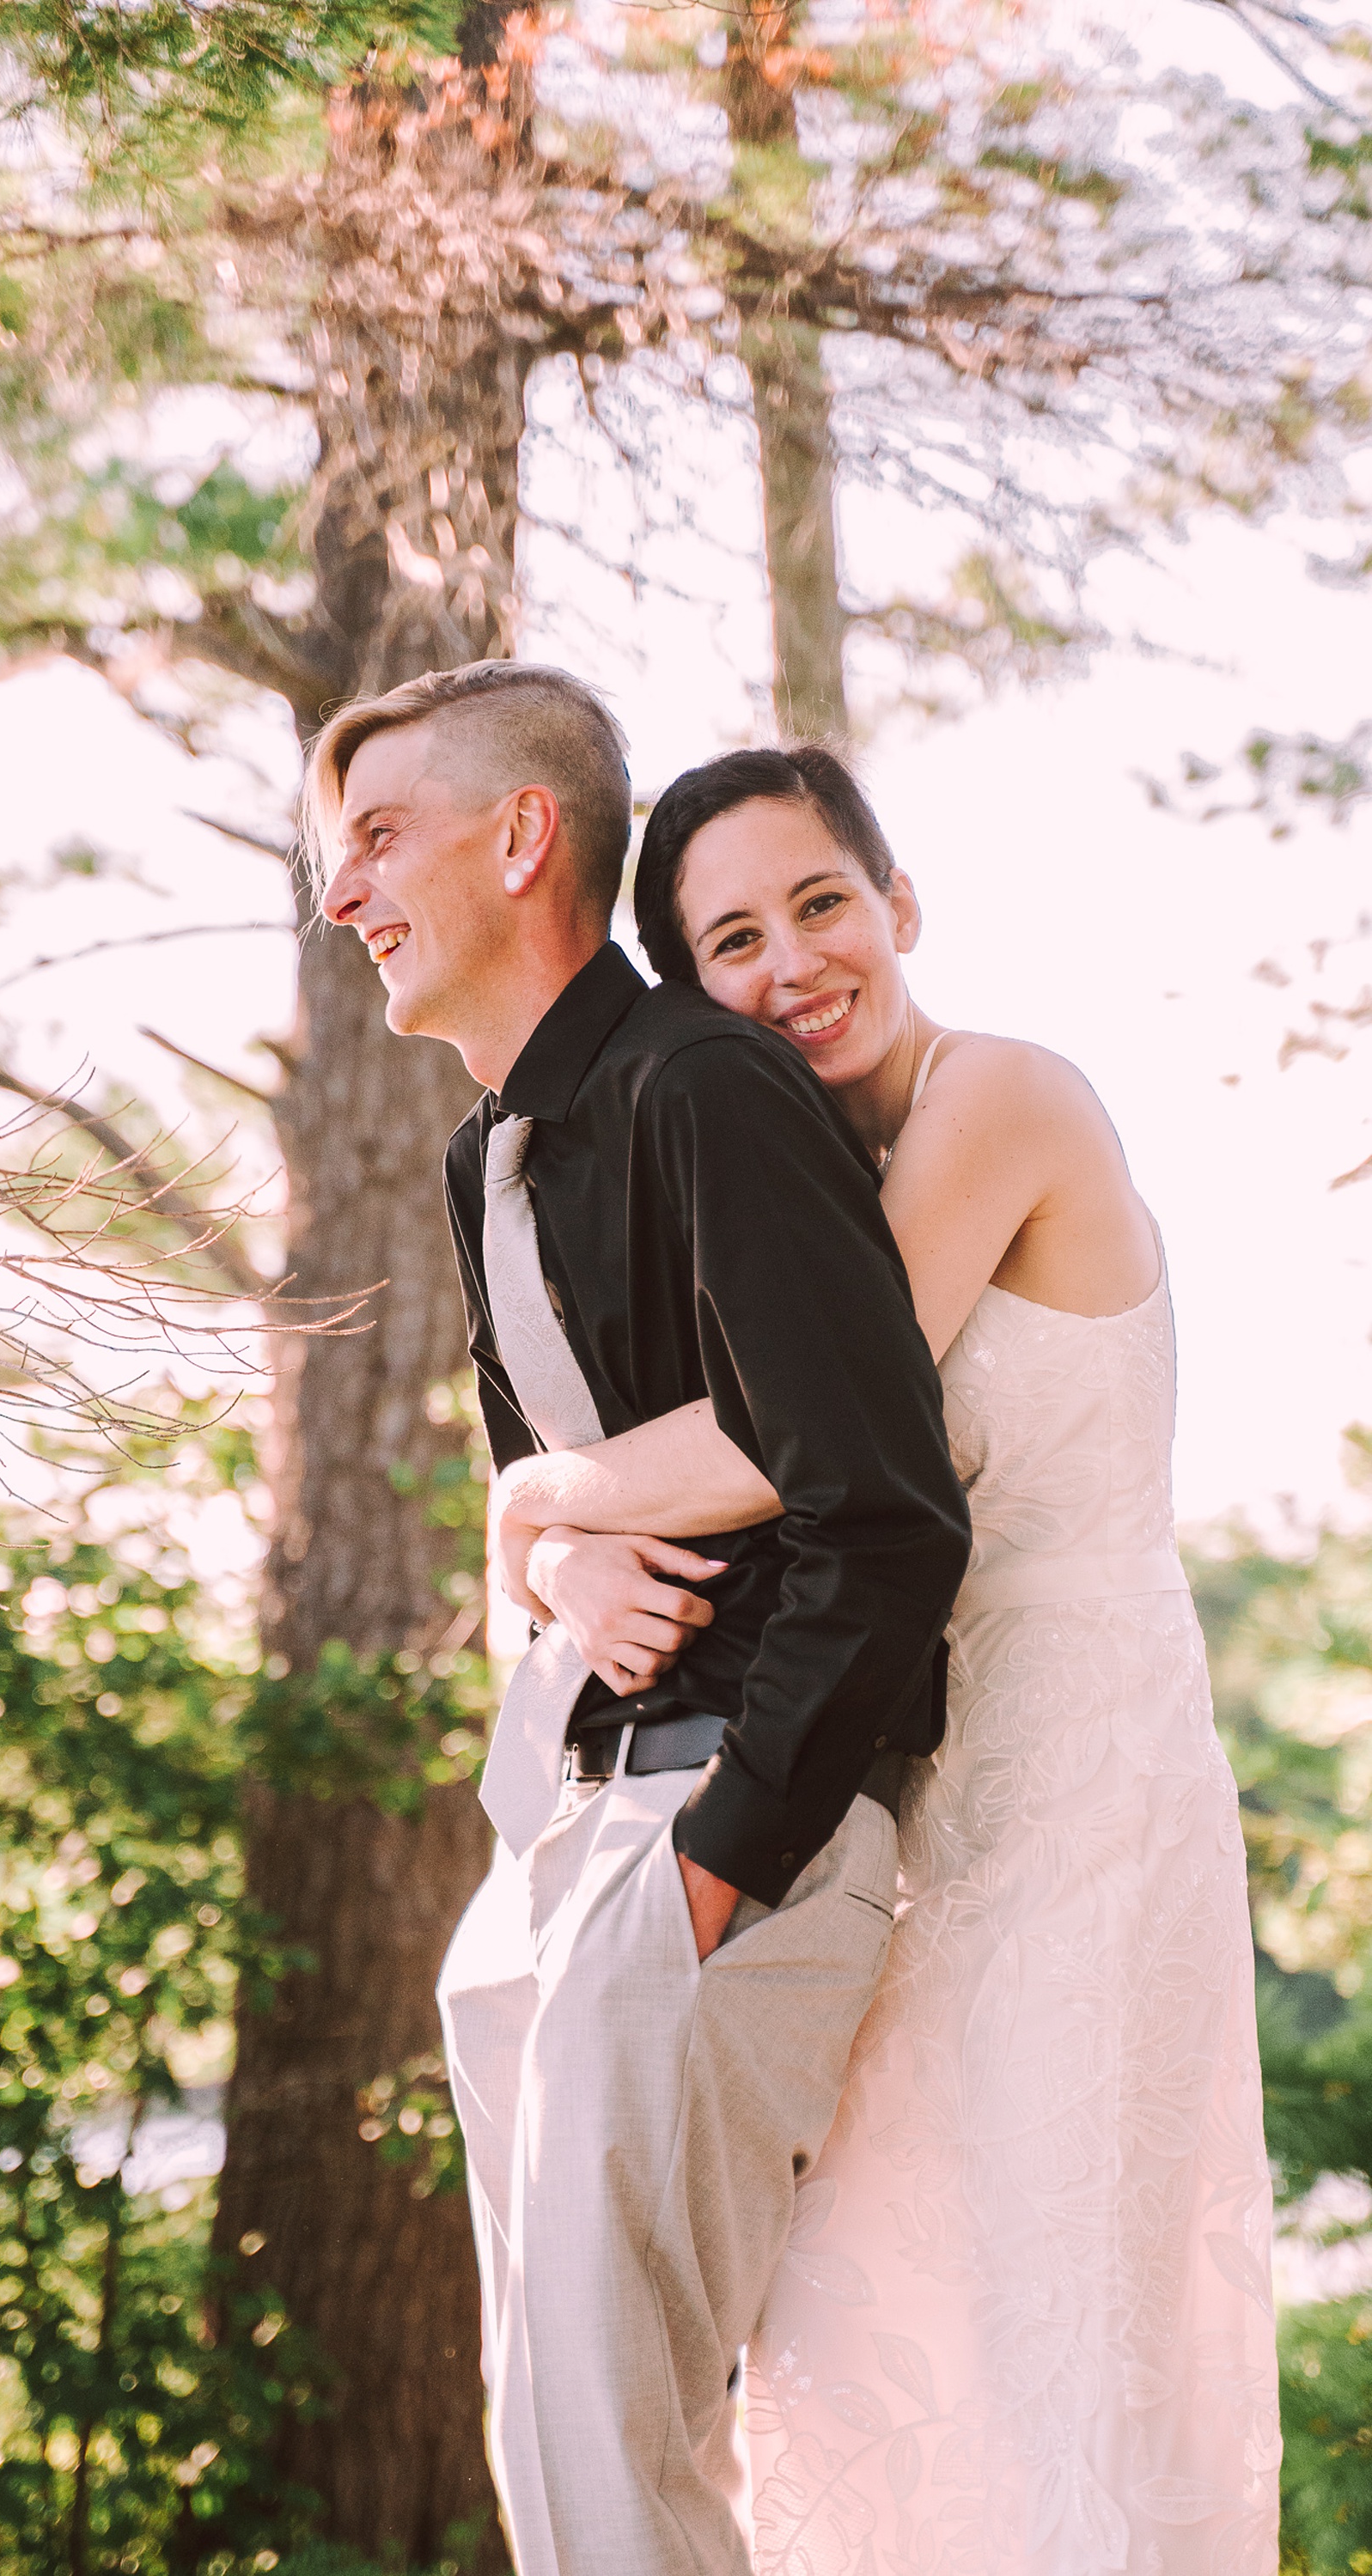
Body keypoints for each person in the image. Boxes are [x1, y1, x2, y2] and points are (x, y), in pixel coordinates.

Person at [491, 745, 1281, 2576]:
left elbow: (788, 1435)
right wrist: (567, 1561)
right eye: (735, 943)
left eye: (821, 905)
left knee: (1061, 2301)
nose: (792, 966)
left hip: (1077, 1779)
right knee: (872, 2312)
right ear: (694, 992)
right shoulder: (796, 1180)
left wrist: (532, 1498)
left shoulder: (1002, 1097)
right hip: (894, 1800)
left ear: (899, 904)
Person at [308, 666, 973, 2576]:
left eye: (377, 839)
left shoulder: (703, 1085)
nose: (340, 893)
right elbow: (548, 1481)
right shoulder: (480, 1155)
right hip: (560, 1824)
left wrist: (722, 1861)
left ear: (521, 838)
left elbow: (881, 1505)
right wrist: (542, 1552)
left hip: (714, 1831)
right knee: (551, 2431)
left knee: (616, 2444)